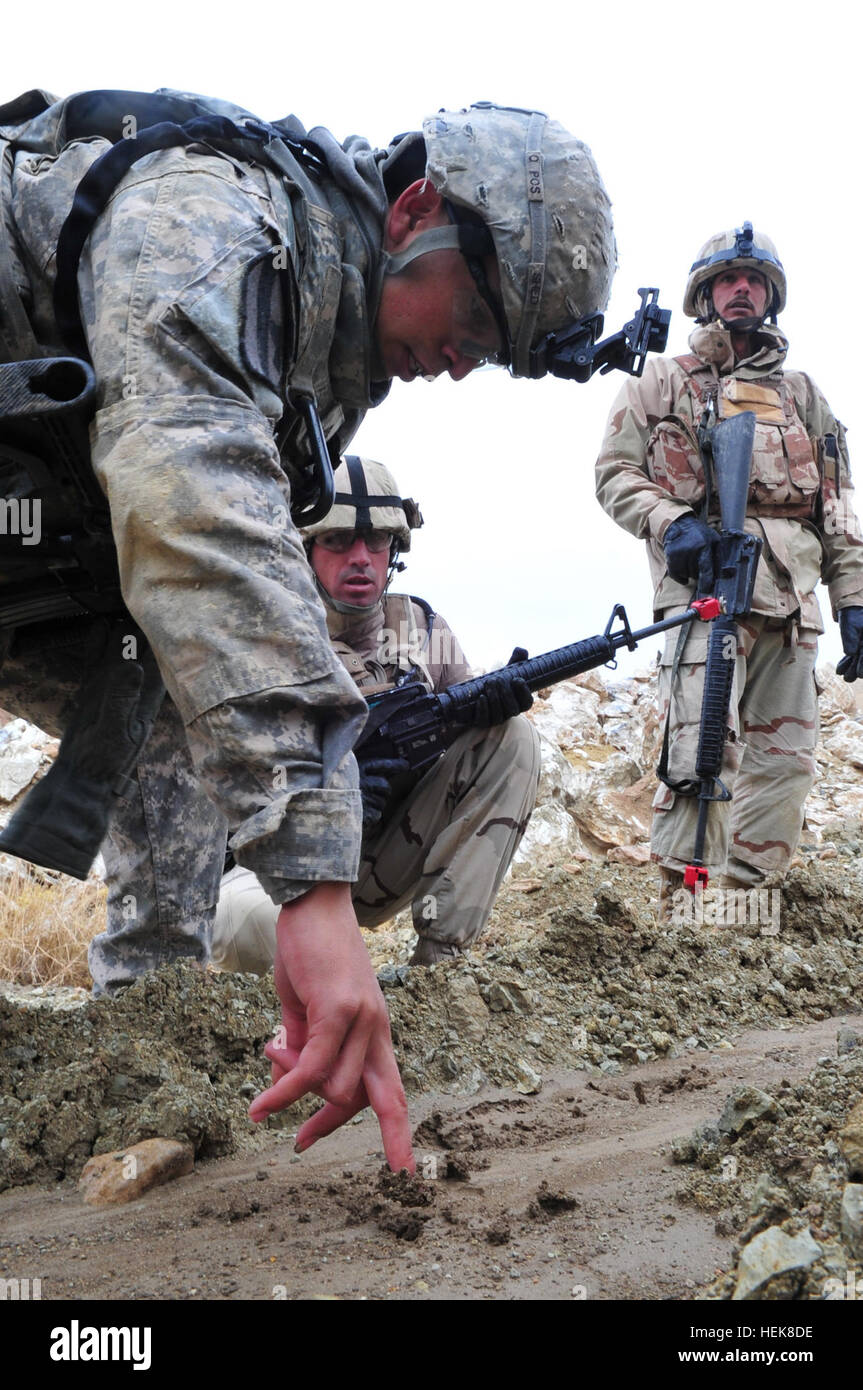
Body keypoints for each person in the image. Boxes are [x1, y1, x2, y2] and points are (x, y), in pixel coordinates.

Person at [0, 89, 616, 1166]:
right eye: (470, 320)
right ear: (413, 208)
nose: (461, 359)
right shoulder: (208, 222)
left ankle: (140, 1040)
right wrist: (316, 887)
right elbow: (199, 523)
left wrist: (314, 855)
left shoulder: (318, 360)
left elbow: (233, 616)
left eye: (491, 353)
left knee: (178, 688)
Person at [595, 222, 863, 912]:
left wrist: (853, 598)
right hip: (703, 596)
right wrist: (670, 524)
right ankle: (682, 909)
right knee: (699, 749)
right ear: (703, 296)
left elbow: (837, 505)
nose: (739, 290)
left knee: (785, 766)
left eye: (752, 281)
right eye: (725, 280)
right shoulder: (658, 381)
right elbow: (614, 475)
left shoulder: (803, 396)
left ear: (769, 296)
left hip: (791, 607)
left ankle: (745, 914)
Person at [212, 456, 540, 973]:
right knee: (243, 922)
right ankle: (324, 984)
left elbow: (469, 748)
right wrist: (330, 801)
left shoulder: (422, 627)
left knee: (513, 737)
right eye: (339, 541)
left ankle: (438, 969)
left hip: (383, 861)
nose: (361, 558)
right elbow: (226, 793)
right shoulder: (262, 637)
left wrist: (486, 712)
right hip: (278, 872)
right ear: (306, 547)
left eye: (378, 542)